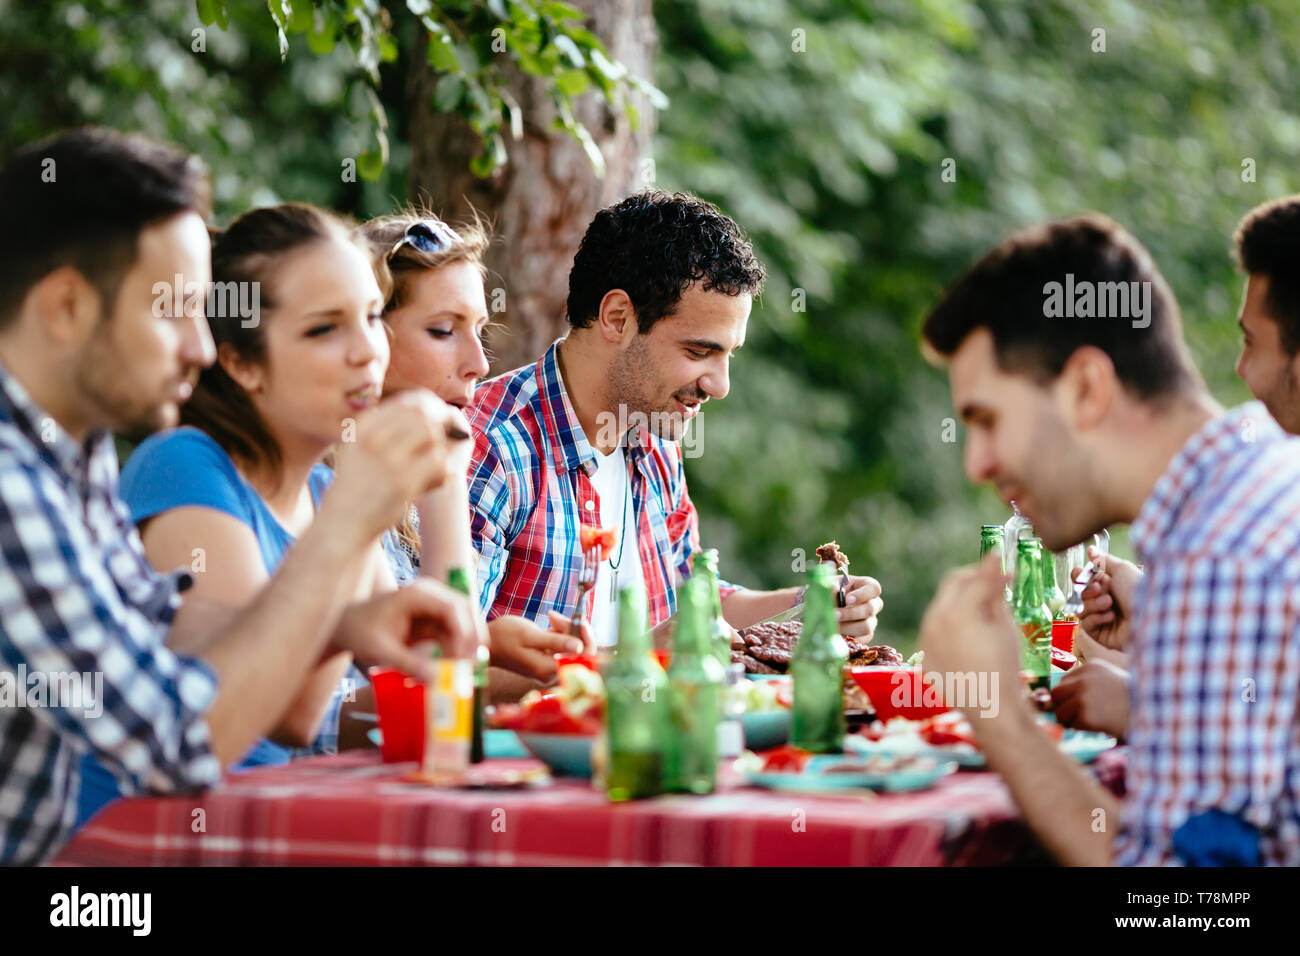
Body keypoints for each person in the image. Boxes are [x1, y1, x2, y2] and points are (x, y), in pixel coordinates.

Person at [0, 128, 477, 865]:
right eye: (173, 310)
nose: (198, 347)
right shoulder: (15, 482)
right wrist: (349, 519)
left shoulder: (72, 454)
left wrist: (346, 623)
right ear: (65, 306)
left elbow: (177, 641)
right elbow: (178, 740)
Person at [917, 212, 1300, 865]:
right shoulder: (1258, 482)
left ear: (1088, 389)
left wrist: (1001, 716)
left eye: (988, 418)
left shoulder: (1218, 558)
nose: (975, 462)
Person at [466, 190, 884, 653]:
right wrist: (639, 657)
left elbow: (695, 607)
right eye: (699, 352)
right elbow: (449, 663)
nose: (720, 386)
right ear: (618, 317)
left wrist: (815, 606)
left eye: (728, 355)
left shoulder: (654, 436)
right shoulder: (489, 446)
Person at [1056, 193, 1300, 739]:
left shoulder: (1239, 535)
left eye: (1251, 342)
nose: (1241, 371)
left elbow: (1208, 825)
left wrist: (1144, 709)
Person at [362, 211, 589, 696]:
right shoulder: (323, 490)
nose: (479, 364)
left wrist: (485, 639)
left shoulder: (406, 495)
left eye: (479, 330)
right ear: (365, 339)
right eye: (443, 331)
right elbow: (432, 688)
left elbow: (442, 669)